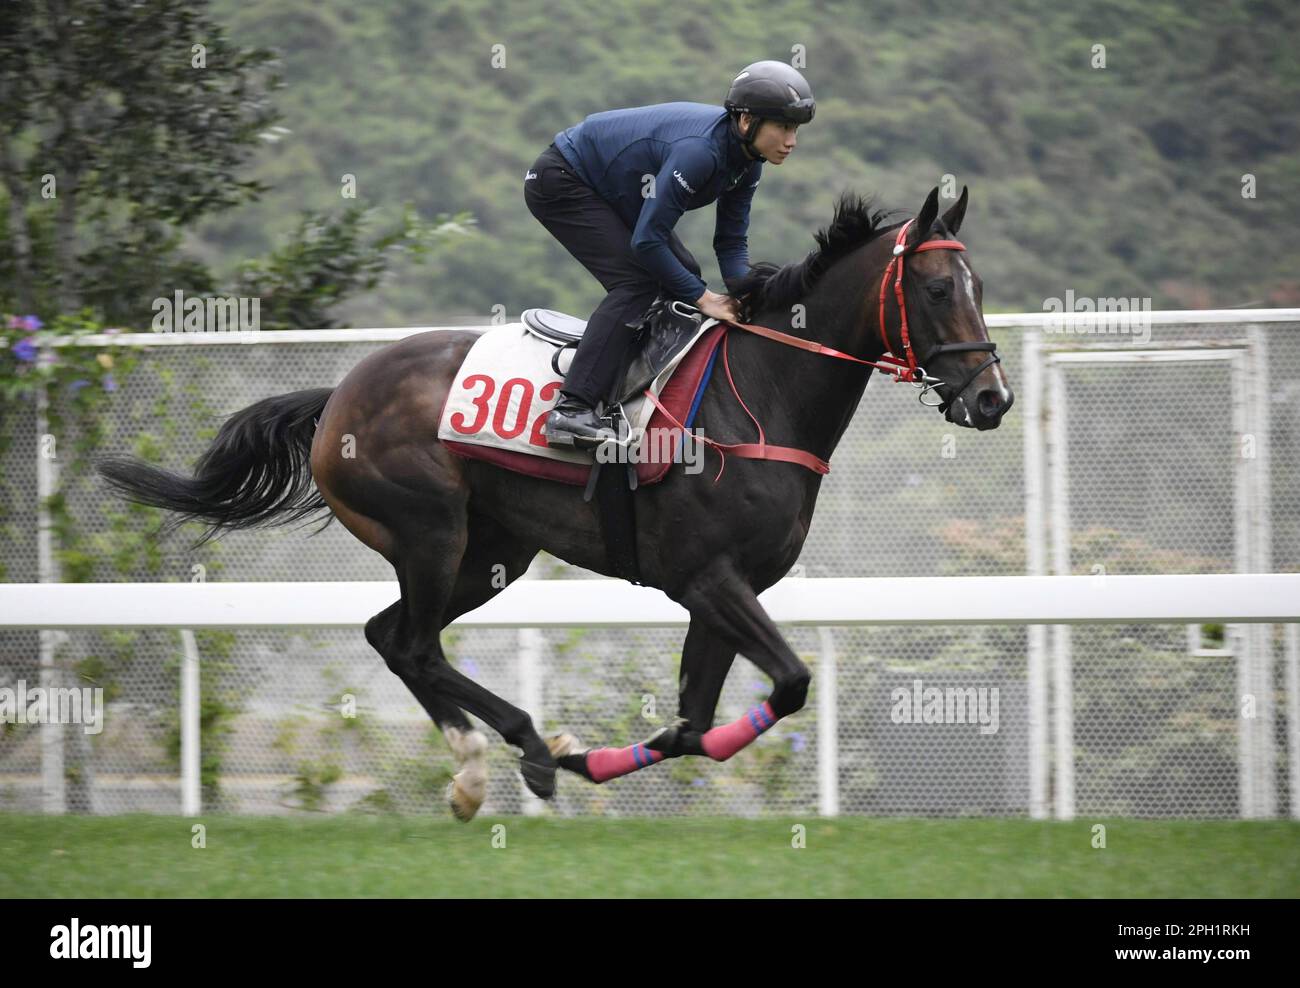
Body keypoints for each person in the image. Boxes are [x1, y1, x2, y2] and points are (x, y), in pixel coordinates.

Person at [523, 60, 815, 448]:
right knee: (638, 282)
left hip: (614, 190)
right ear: (746, 121)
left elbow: (729, 244)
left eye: (795, 129)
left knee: (683, 272)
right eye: (784, 126)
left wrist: (746, 296)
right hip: (562, 178)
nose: (792, 140)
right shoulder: (700, 153)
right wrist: (705, 298)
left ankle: (621, 388)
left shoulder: (749, 164)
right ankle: (572, 409)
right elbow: (647, 241)